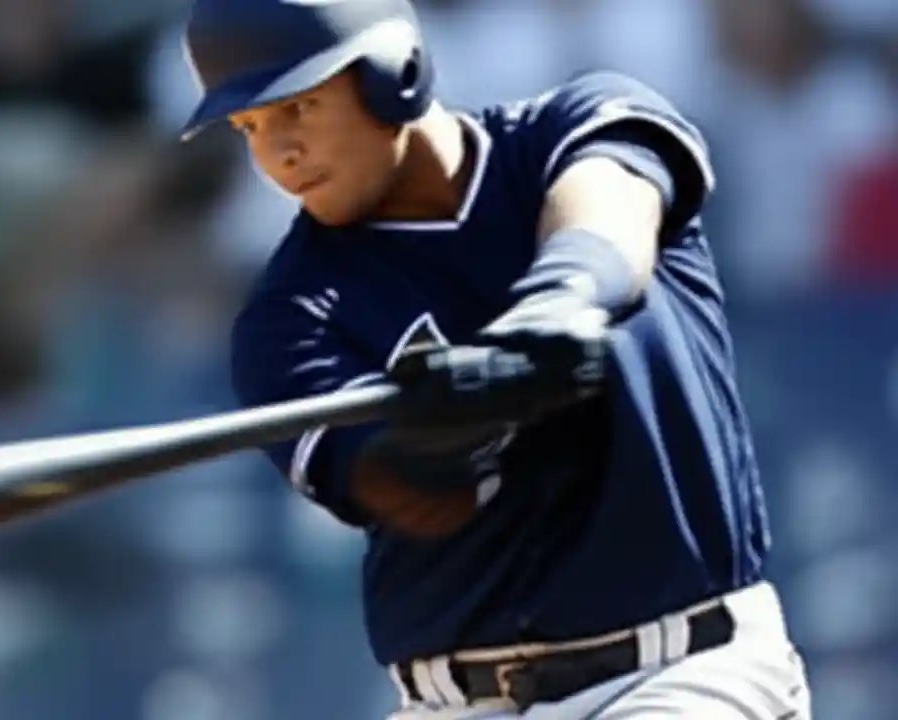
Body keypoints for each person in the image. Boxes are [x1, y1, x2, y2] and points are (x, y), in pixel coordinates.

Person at [179, 0, 812, 718]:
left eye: (299, 108)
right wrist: (438, 432)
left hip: (674, 673)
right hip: (454, 702)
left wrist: (553, 313)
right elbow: (392, 484)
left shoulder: (579, 123)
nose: (276, 153)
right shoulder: (287, 316)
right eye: (250, 126)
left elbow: (606, 227)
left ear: (396, 72)